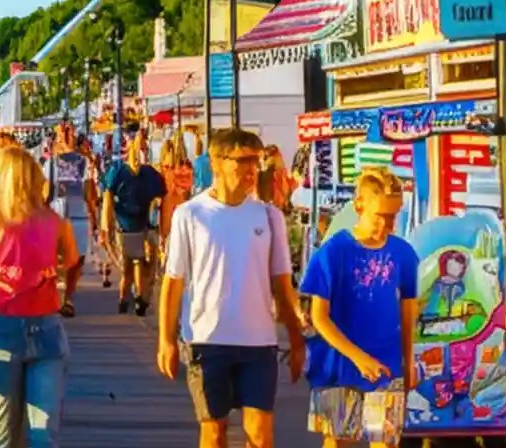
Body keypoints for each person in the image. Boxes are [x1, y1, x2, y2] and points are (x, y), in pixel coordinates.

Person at [157, 127, 305, 448]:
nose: (252, 168)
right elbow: (174, 281)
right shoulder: (190, 214)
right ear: (217, 162)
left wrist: (295, 337)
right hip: (207, 340)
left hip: (259, 342)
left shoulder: (268, 216)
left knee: (261, 435)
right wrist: (166, 340)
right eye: (243, 160)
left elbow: (282, 281)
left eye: (256, 160)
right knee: (214, 432)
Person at [0, 146, 81, 448]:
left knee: (2, 436)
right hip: (47, 328)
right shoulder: (56, 222)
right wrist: (65, 293)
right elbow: (74, 262)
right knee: (44, 435)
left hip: (1, 329)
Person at [299, 167, 420, 448]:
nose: (387, 225)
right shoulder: (333, 251)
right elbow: (319, 316)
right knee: (338, 440)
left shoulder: (403, 253)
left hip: (387, 365)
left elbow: (408, 309)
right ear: (359, 205)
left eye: (393, 216)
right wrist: (357, 357)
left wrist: (409, 359)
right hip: (338, 366)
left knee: (385, 440)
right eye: (381, 216)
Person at [101, 131, 165, 316]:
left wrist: (163, 224)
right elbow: (108, 196)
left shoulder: (150, 173)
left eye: (144, 148)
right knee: (130, 266)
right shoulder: (119, 170)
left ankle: (139, 298)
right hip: (125, 225)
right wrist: (106, 224)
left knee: (141, 263)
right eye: (139, 148)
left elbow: (163, 197)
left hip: (144, 225)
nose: (141, 152)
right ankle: (125, 297)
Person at [43, 122, 100, 313]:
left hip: (69, 214)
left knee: (69, 259)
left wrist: (94, 217)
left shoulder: (78, 163)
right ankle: (64, 297)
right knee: (67, 260)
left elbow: (89, 193)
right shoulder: (58, 164)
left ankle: (64, 297)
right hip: (68, 214)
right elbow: (46, 193)